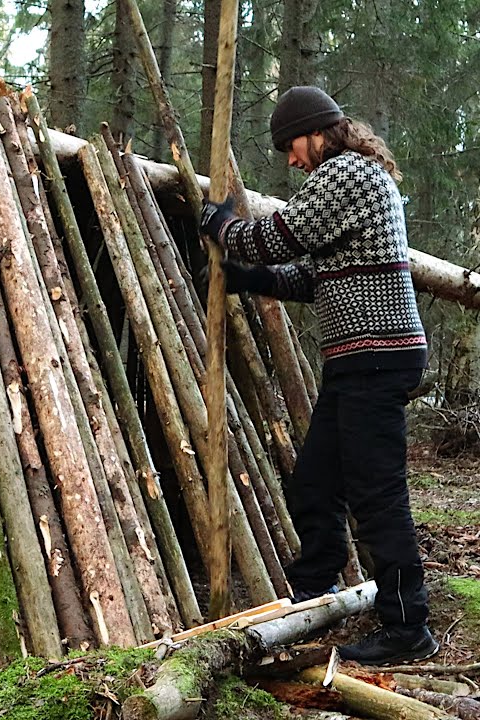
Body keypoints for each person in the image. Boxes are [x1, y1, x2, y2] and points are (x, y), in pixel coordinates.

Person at [201, 86, 436, 665]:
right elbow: (312, 275)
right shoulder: (351, 180)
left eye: (292, 146)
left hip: (375, 358)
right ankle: (313, 593)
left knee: (377, 496)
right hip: (359, 360)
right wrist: (248, 278)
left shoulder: (348, 175)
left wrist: (223, 227)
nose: (291, 159)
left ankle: (409, 626)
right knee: (315, 482)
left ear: (318, 131)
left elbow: (277, 236)